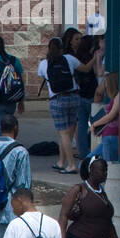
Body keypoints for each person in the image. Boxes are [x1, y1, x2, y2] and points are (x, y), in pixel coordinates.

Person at [38, 37, 82, 174]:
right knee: (68, 133)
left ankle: (71, 165)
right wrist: (96, 57)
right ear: (62, 47)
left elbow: (41, 76)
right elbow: (85, 68)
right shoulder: (69, 58)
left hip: (57, 100)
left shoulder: (44, 63)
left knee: (63, 133)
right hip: (74, 97)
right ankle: (61, 162)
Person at [90, 74, 120, 162]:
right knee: (88, 161)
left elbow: (111, 115)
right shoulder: (116, 96)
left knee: (107, 164)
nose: (106, 86)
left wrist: (94, 124)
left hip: (111, 134)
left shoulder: (118, 96)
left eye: (106, 83)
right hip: (109, 134)